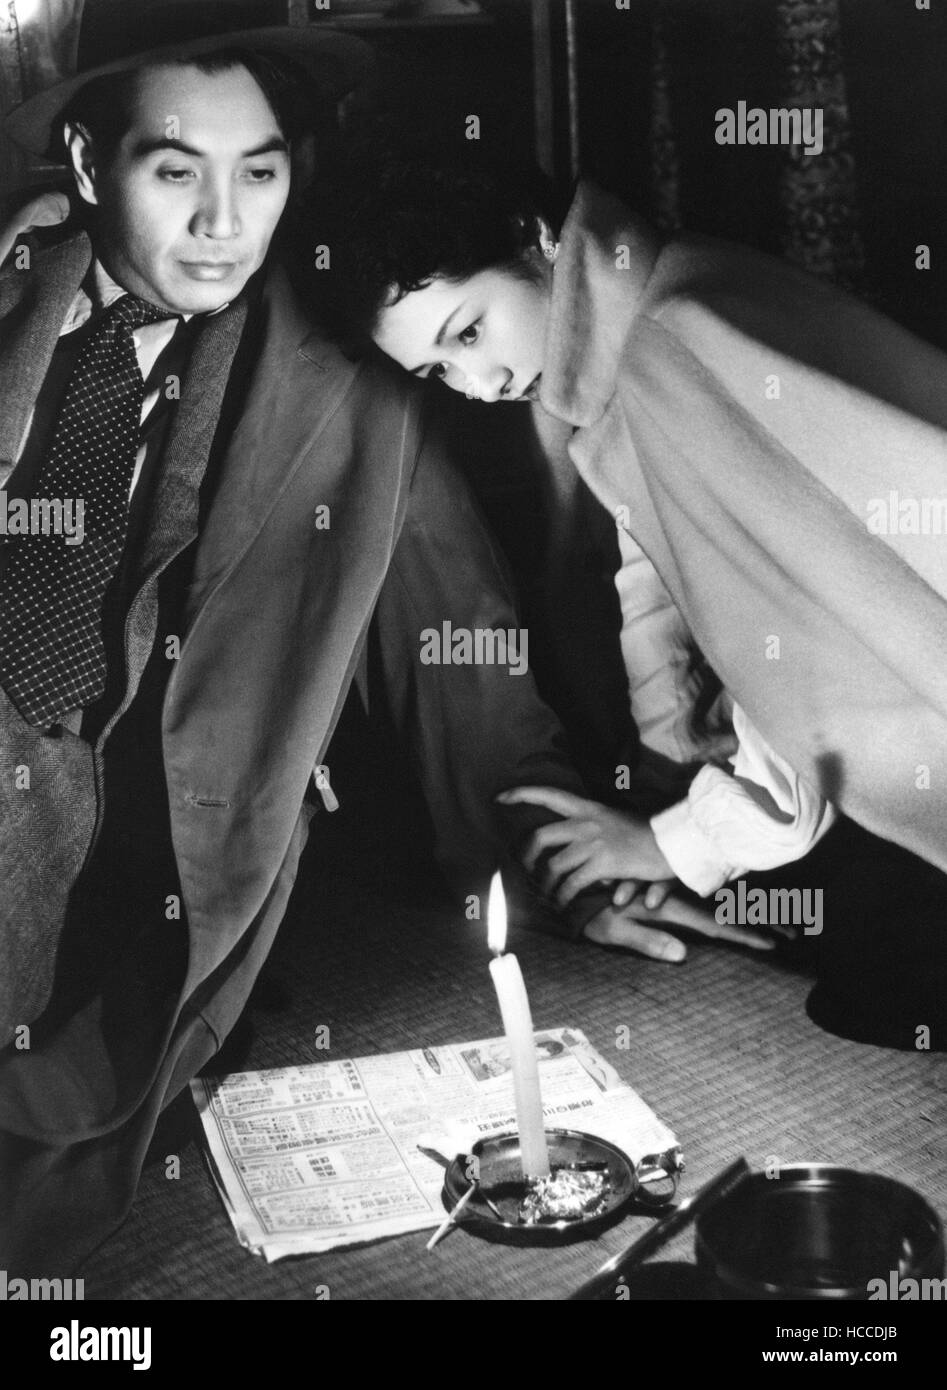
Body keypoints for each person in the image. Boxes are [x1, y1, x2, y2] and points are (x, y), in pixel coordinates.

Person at [1, 1, 728, 1274]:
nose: (224, 223)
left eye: (261, 170)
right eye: (174, 170)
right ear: (80, 160)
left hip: (147, 900)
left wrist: (563, 848)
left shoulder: (350, 369)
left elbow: (453, 630)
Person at [297, 145, 947, 1042]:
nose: (477, 386)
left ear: (535, 239)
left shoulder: (668, 347)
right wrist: (666, 818)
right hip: (880, 761)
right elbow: (672, 602)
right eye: (436, 373)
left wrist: (674, 843)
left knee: (856, 997)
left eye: (469, 331)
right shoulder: (658, 318)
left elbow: (795, 647)